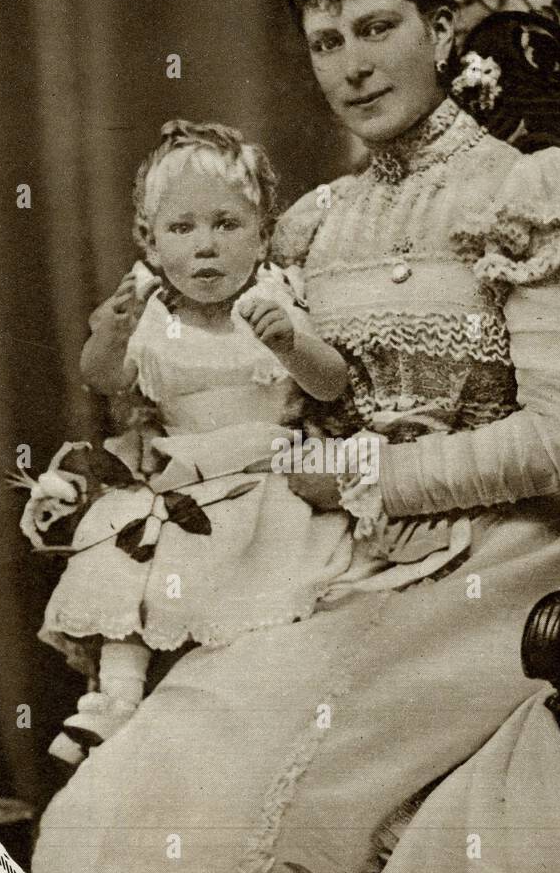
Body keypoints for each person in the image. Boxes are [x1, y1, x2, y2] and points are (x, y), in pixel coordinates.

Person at [31, 0, 560, 873]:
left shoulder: (532, 196)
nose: (351, 63)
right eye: (326, 41)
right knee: (141, 780)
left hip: (519, 556)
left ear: (441, 30)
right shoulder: (304, 228)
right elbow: (261, 409)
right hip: (340, 555)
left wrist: (367, 474)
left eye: (377, 27)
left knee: (276, 806)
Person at [25, 120, 353, 763]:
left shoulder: (275, 299)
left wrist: (290, 342)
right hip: (180, 483)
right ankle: (115, 700)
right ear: (150, 242)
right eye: (182, 229)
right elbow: (105, 378)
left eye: (227, 225)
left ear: (262, 234)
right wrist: (109, 335)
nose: (206, 248)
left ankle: (250, 710)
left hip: (265, 482)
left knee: (258, 592)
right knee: (128, 556)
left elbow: (331, 385)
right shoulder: (152, 318)